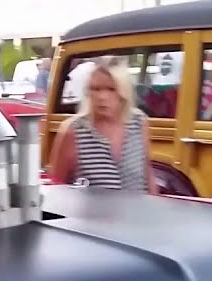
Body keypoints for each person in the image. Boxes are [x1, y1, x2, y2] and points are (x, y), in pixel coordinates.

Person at [46, 59, 156, 194]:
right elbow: (57, 187)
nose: (102, 96)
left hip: (138, 213)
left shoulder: (139, 123)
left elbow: (147, 174)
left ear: (124, 92)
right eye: (96, 89)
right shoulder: (73, 131)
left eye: (111, 89)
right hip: (90, 214)